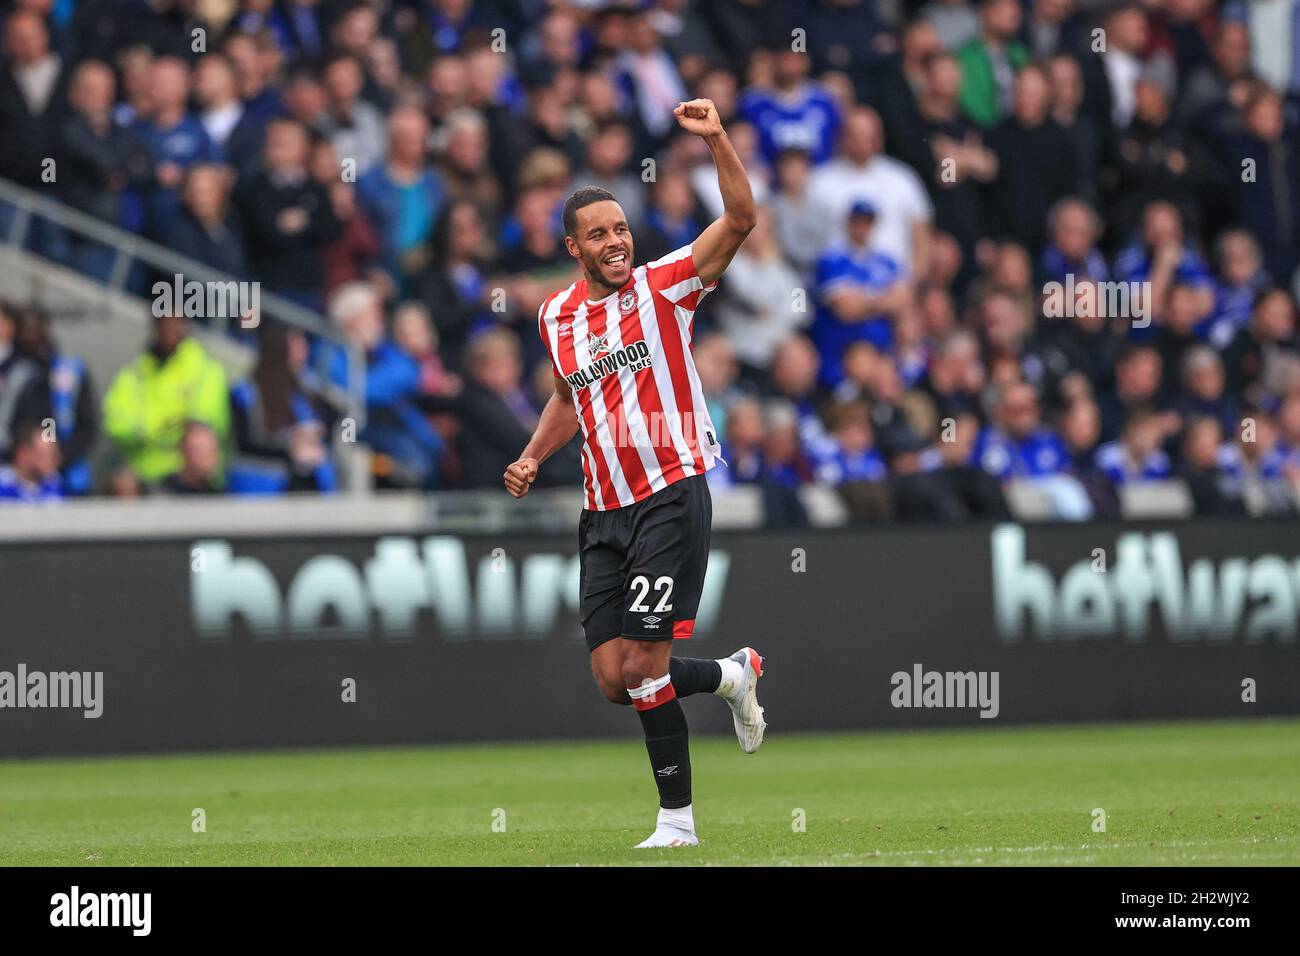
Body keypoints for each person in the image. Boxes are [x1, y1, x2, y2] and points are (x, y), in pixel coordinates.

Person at [502, 98, 765, 850]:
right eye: (599, 235)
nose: (616, 242)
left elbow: (741, 219)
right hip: (602, 512)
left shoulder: (666, 287)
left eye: (621, 229)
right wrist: (530, 454)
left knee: (646, 665)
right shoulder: (557, 317)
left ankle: (676, 825)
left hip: (670, 497)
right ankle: (731, 675)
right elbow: (566, 397)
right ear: (573, 247)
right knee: (615, 679)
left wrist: (716, 138)